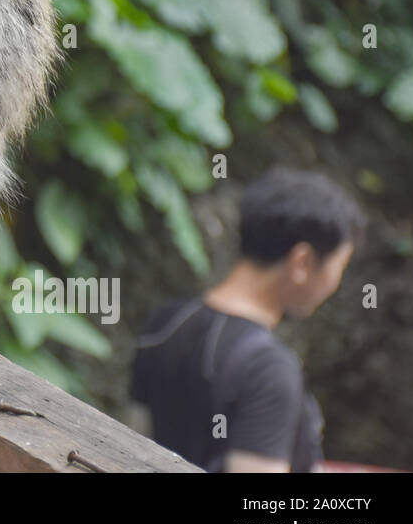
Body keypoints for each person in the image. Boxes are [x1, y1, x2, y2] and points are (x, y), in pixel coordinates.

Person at [130, 167, 365, 472]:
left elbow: (129, 446)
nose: (335, 284)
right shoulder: (270, 371)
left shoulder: (165, 322)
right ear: (303, 262)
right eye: (339, 267)